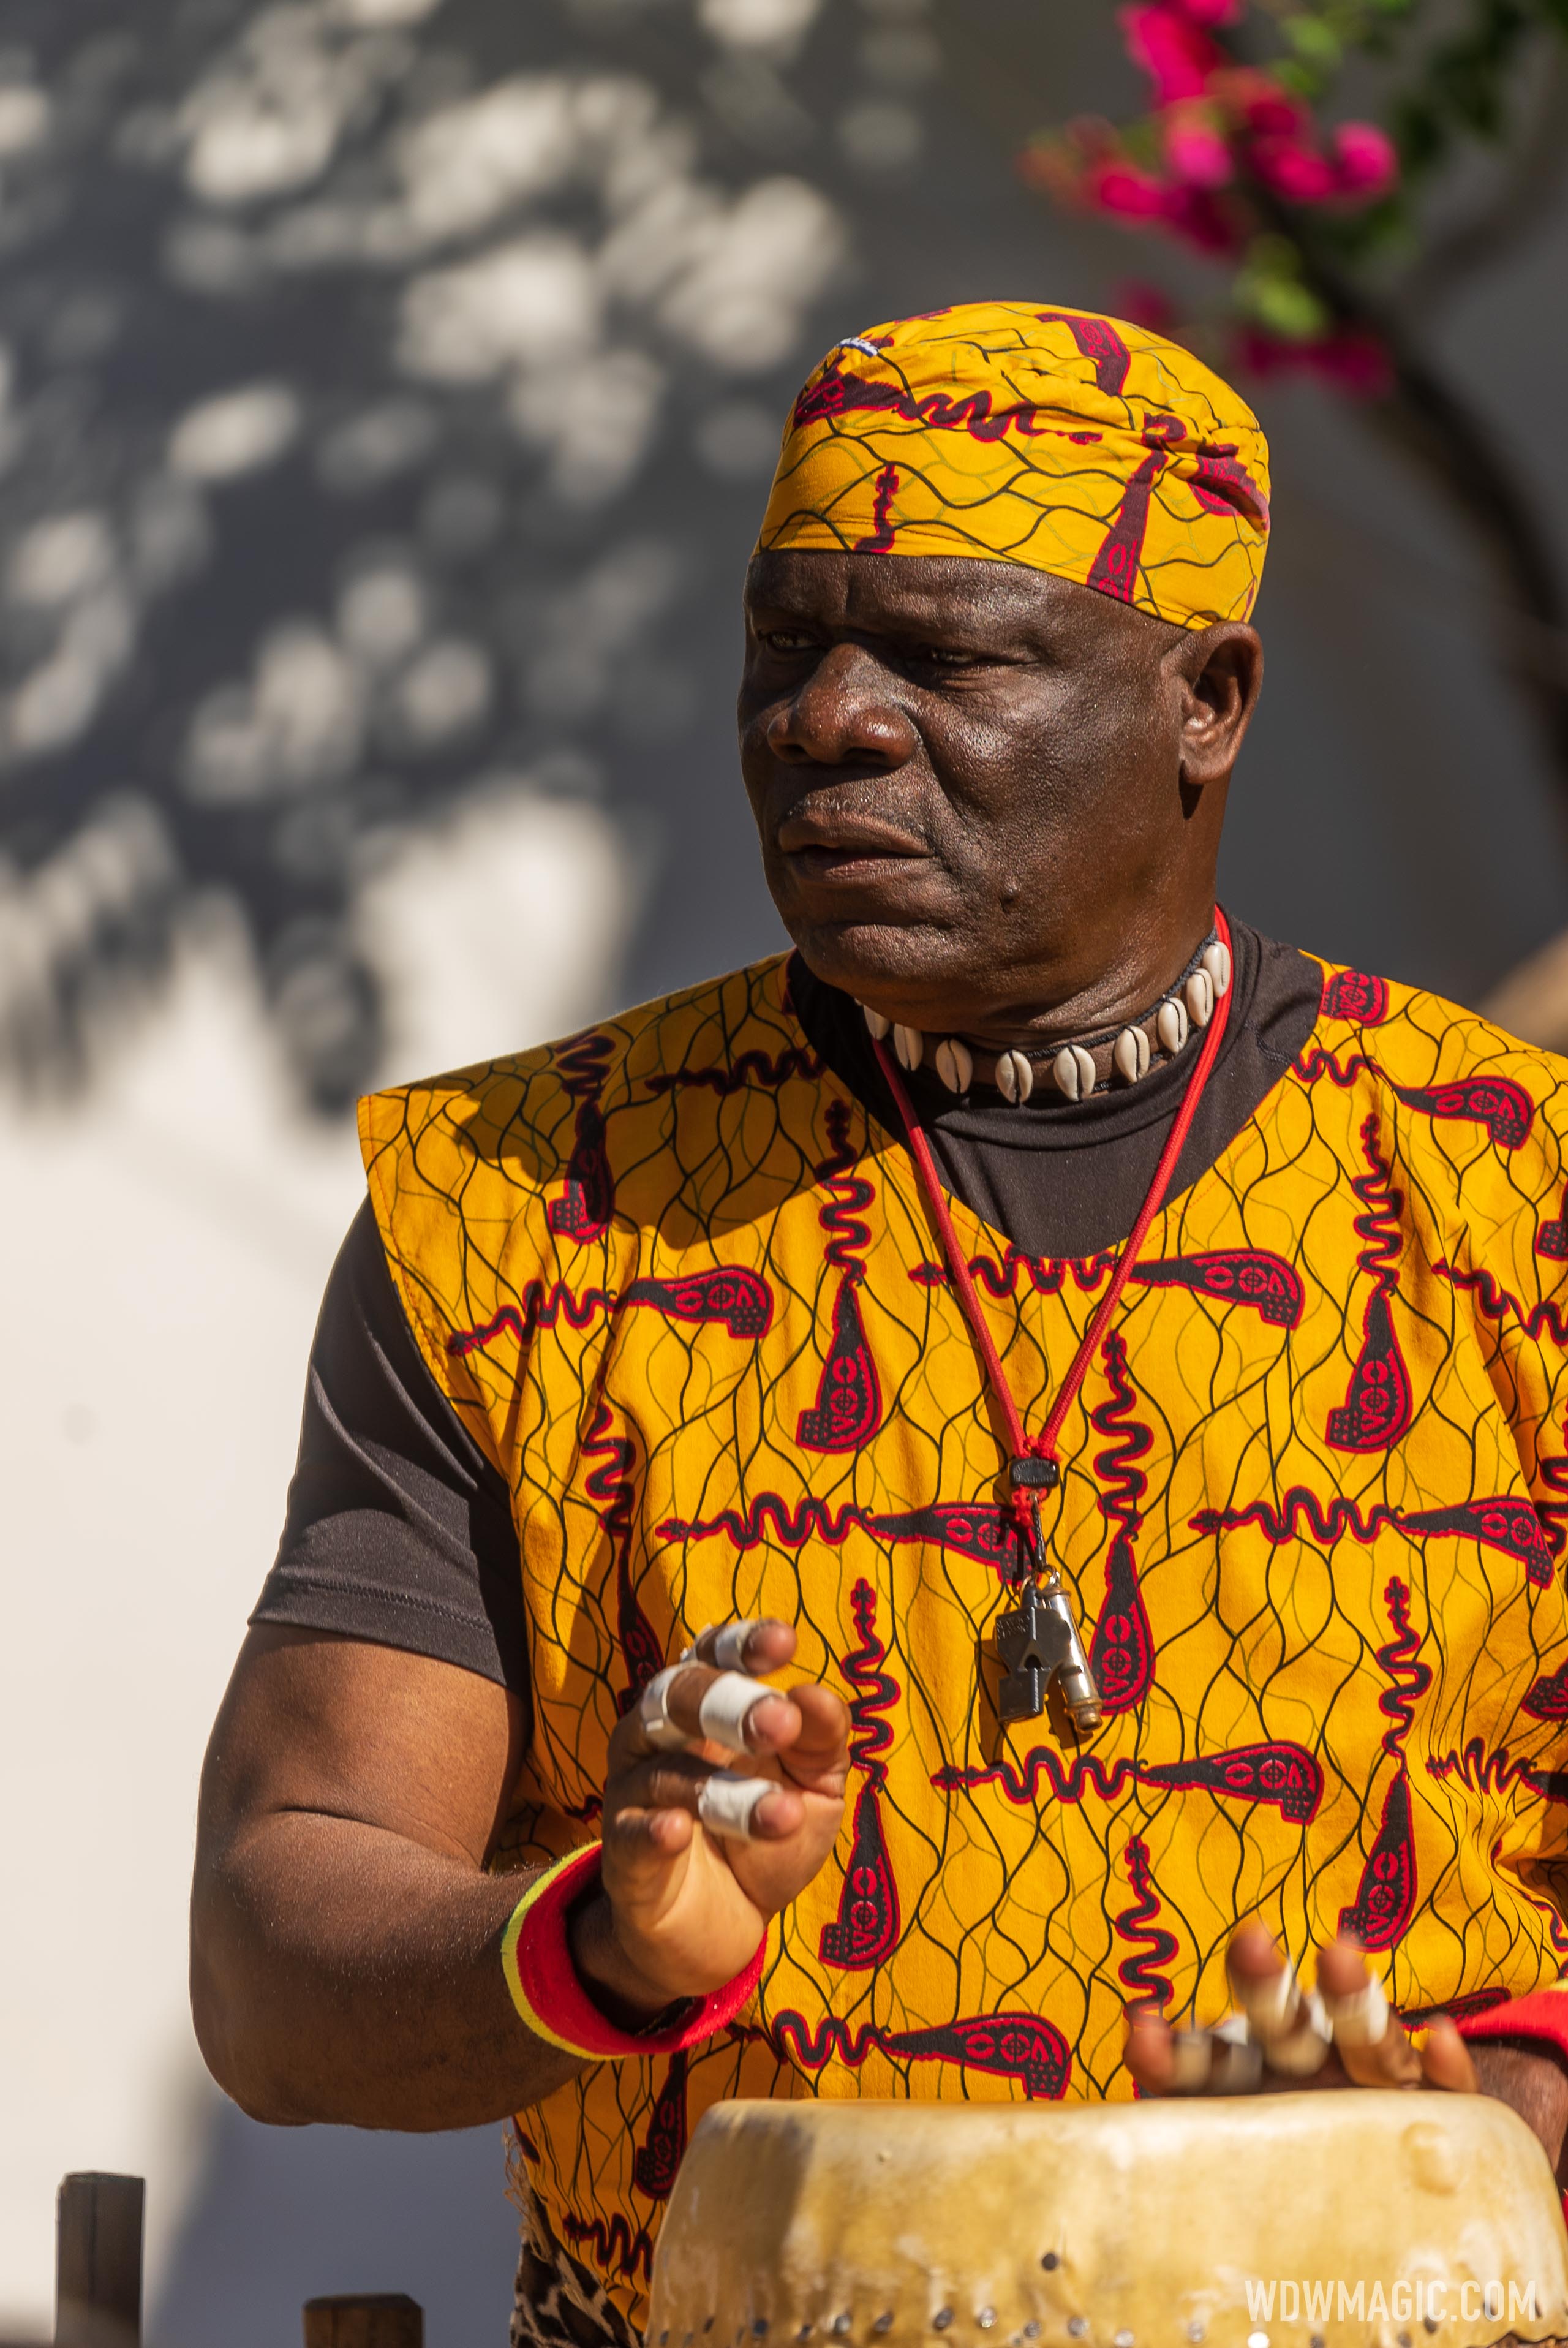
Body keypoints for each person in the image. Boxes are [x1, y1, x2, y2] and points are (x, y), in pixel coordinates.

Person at [192, 303, 1568, 2348]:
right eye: (788, 643)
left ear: (1206, 703)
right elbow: (273, 1950)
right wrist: (605, 1942)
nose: (827, 718)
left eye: (949, 657)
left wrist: (1504, 2104)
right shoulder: (520, 1207)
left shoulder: (1518, 1195)